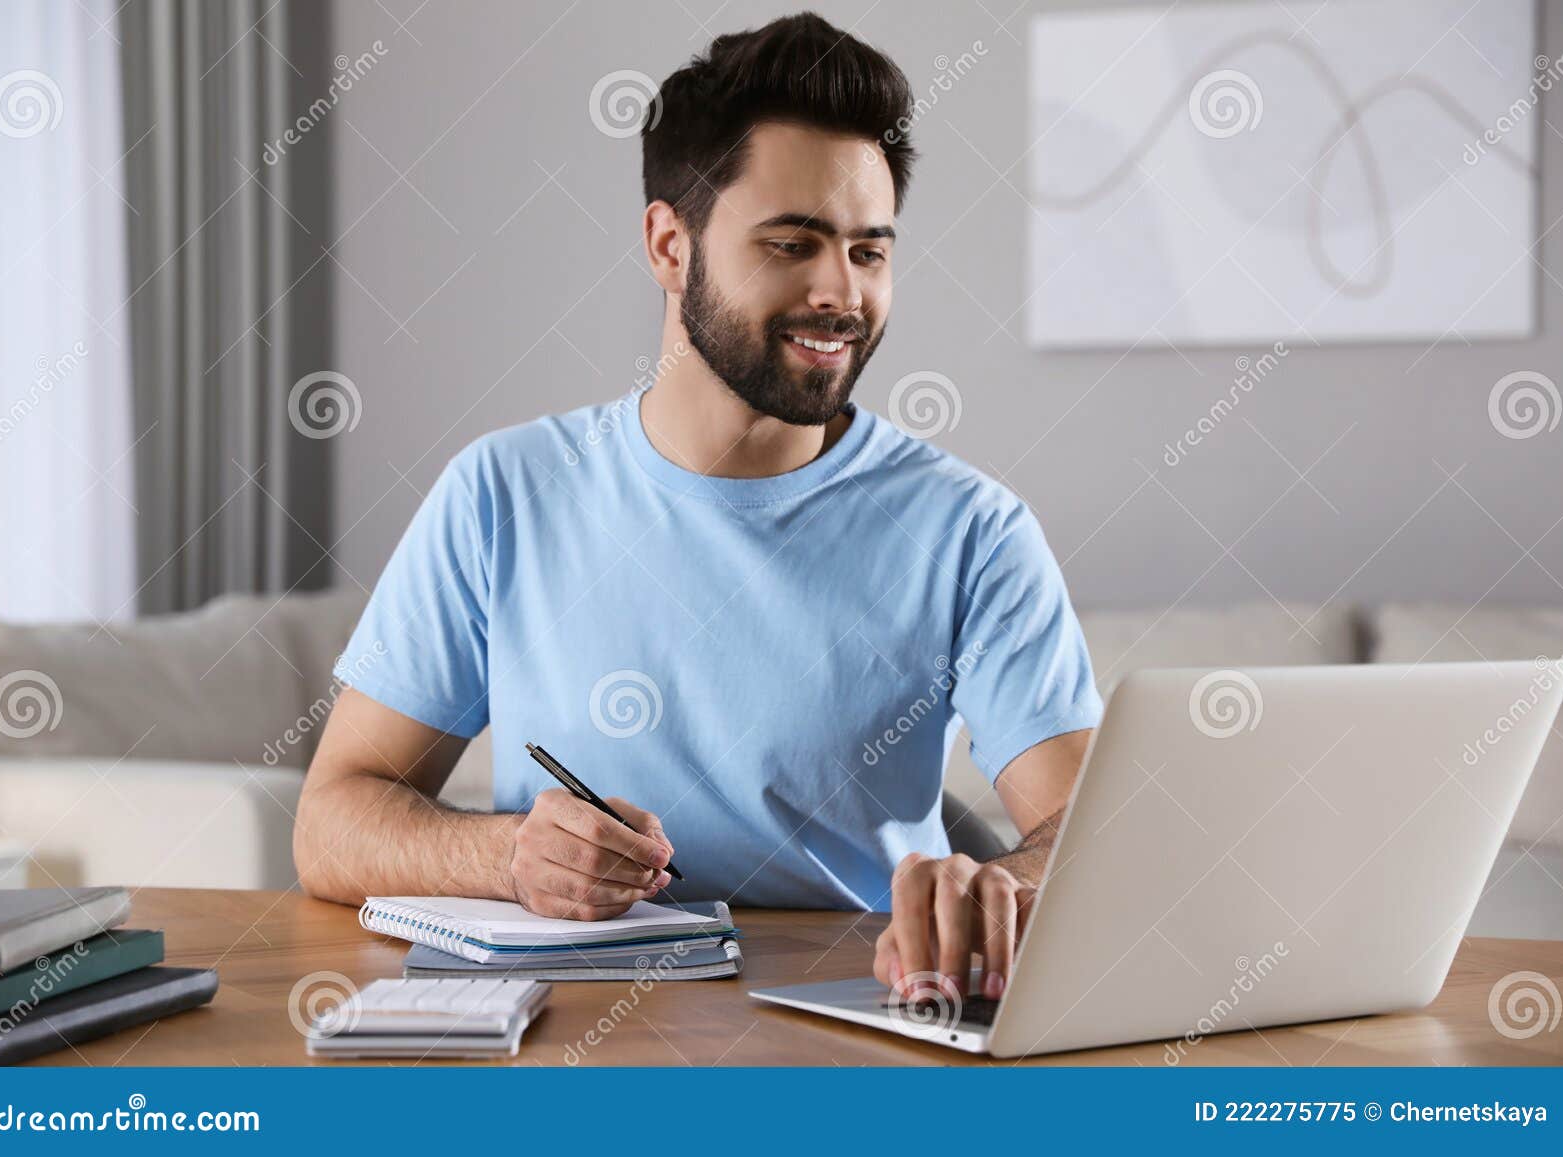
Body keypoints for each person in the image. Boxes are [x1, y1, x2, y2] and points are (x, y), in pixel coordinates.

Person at [294, 11, 1101, 1007]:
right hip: (575, 1032)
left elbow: (1094, 837)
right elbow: (331, 823)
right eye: (793, 243)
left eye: (869, 250)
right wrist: (507, 854)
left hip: (860, 1030)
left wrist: (1000, 886)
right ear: (669, 244)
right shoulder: (501, 494)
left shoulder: (972, 532)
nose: (840, 292)